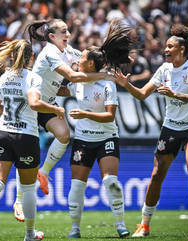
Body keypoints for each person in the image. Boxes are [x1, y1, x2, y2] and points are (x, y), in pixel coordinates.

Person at [13, 18, 115, 222]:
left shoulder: (67, 51)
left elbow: (87, 60)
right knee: (29, 152)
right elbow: (75, 76)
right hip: (32, 105)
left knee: (64, 135)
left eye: (68, 31)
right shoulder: (50, 52)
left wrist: (109, 57)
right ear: (52, 37)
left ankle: (43, 173)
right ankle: (18, 201)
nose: (68, 35)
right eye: (64, 32)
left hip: (48, 103)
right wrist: (104, 76)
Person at [114, 24, 188, 237]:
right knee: (157, 174)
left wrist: (174, 94)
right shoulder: (164, 69)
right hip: (170, 128)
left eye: (170, 46)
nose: (165, 50)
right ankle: (145, 224)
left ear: (181, 49)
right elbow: (141, 94)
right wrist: (125, 84)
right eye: (165, 46)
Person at [0, 39, 64, 241]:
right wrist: (55, 109)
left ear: (12, 57)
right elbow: (34, 103)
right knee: (27, 188)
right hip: (25, 135)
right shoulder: (33, 77)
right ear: (31, 58)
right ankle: (29, 234)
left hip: (1, 133)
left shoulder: (4, 77)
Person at [58, 46, 130, 238]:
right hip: (83, 140)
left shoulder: (107, 84)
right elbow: (58, 89)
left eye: (81, 57)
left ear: (90, 63)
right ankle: (75, 229)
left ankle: (121, 224)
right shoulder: (77, 81)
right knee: (77, 186)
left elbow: (109, 116)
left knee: (110, 181)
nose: (78, 60)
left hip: (107, 138)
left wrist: (84, 114)